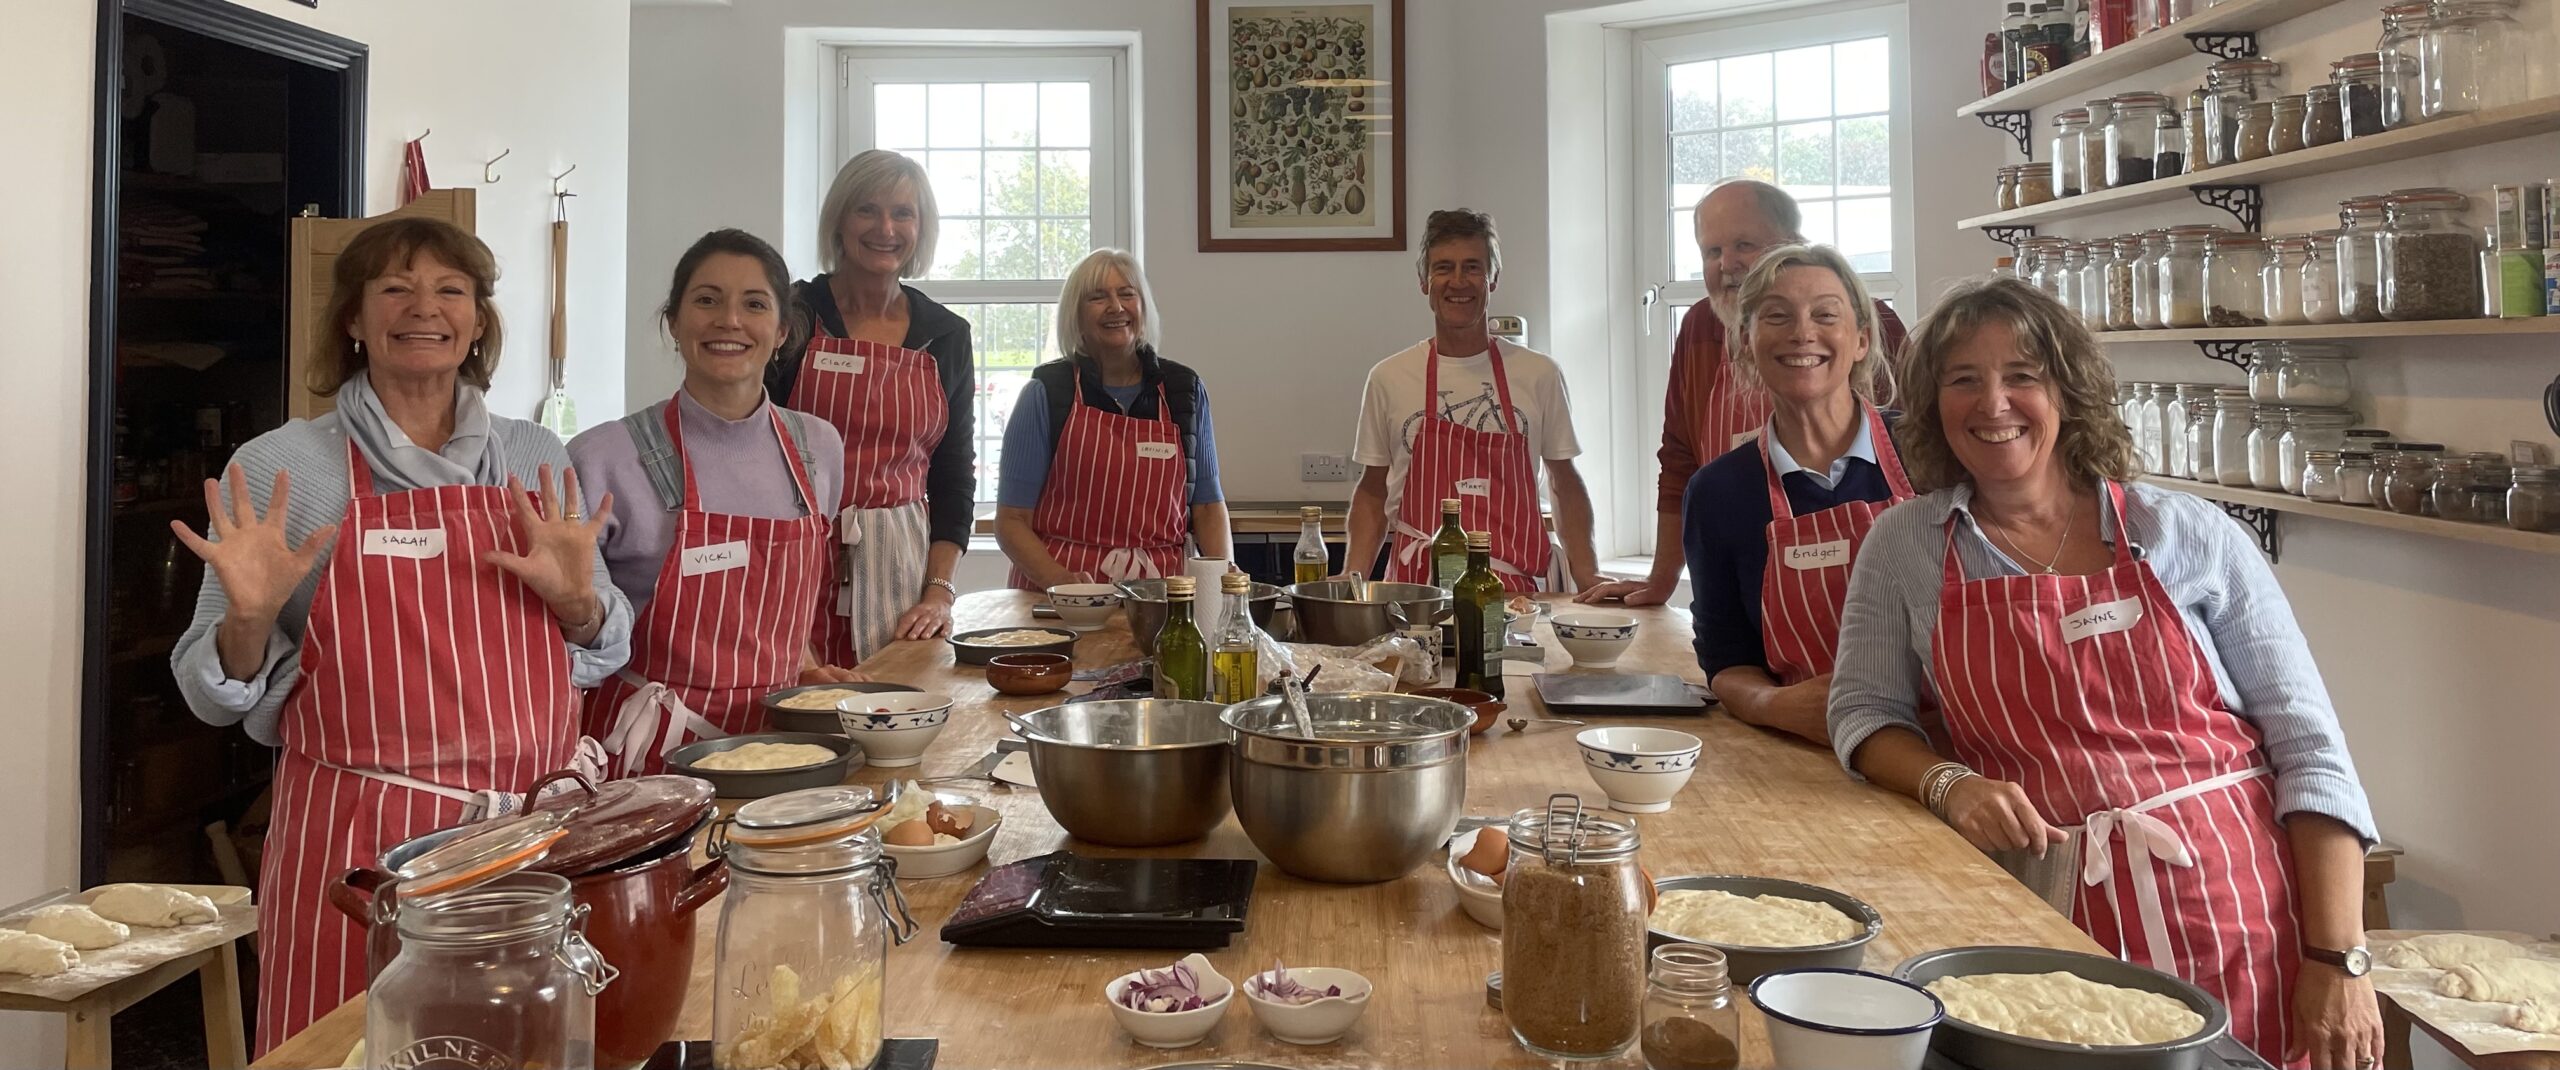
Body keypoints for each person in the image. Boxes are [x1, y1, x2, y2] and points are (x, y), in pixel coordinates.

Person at [1826, 277, 2383, 1069]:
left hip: (2232, 911)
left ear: (2068, 391)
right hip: (2042, 918)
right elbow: (1863, 714)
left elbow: (2312, 751)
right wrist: (1949, 784)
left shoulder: (2188, 533)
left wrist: (2339, 961)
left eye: (2023, 374)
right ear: (1931, 402)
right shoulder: (1907, 546)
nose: (1994, 403)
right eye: (1963, 379)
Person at [168, 218, 633, 1055]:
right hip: (359, 849)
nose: (425, 308)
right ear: (352, 318)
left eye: (451, 289)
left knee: (520, 1044)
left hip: (520, 839)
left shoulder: (533, 456)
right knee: (350, 1048)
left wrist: (579, 606)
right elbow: (213, 693)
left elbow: (603, 642)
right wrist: (245, 620)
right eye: (395, 288)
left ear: (479, 321)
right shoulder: (284, 469)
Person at [571, 230, 855, 778]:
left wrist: (806, 669)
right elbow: (574, 639)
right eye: (706, 300)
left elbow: (786, 614)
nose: (730, 320)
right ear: (673, 321)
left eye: (754, 304)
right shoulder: (602, 457)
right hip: (648, 760)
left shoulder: (819, 448)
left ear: (782, 331)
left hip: (784, 754)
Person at [1580, 180, 1910, 605]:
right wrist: (1661, 579)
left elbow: (1911, 452)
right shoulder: (1699, 326)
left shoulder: (1869, 322)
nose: (1727, 264)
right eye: (1712, 252)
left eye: (1744, 245)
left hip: (1870, 582)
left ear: (1793, 245)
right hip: (1738, 573)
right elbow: (1680, 459)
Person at [1680, 245, 1914, 746]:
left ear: (1861, 341)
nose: (1802, 332)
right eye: (1777, 316)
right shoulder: (1718, 493)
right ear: (1746, 341)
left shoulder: (1930, 456)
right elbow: (1726, 659)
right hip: (1806, 758)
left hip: (1941, 747)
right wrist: (1776, 704)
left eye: (1825, 314)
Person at [768, 149, 973, 664]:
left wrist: (939, 591)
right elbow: (746, 446)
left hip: (901, 580)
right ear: (839, 219)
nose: (886, 227)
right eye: (867, 209)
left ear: (921, 227)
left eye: (903, 213)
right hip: (791, 565)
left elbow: (952, 476)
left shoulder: (947, 335)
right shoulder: (790, 315)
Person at [1345, 208, 1603, 592]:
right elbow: (1373, 491)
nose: (1458, 281)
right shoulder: (1389, 378)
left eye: (1473, 267)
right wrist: (1352, 581)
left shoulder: (1539, 374)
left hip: (1517, 597)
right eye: (1443, 268)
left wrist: (1589, 579)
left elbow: (1564, 483)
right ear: (1423, 281)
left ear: (1493, 278)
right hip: (1418, 596)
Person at [997, 248, 1231, 587]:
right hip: (1057, 594)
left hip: (1164, 596)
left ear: (1143, 306)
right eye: (1097, 297)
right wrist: (1063, 584)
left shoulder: (1185, 391)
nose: (1116, 307)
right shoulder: (1047, 393)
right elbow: (1012, 520)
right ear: (1075, 316)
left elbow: (1208, 507)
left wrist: (1222, 580)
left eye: (1126, 294)